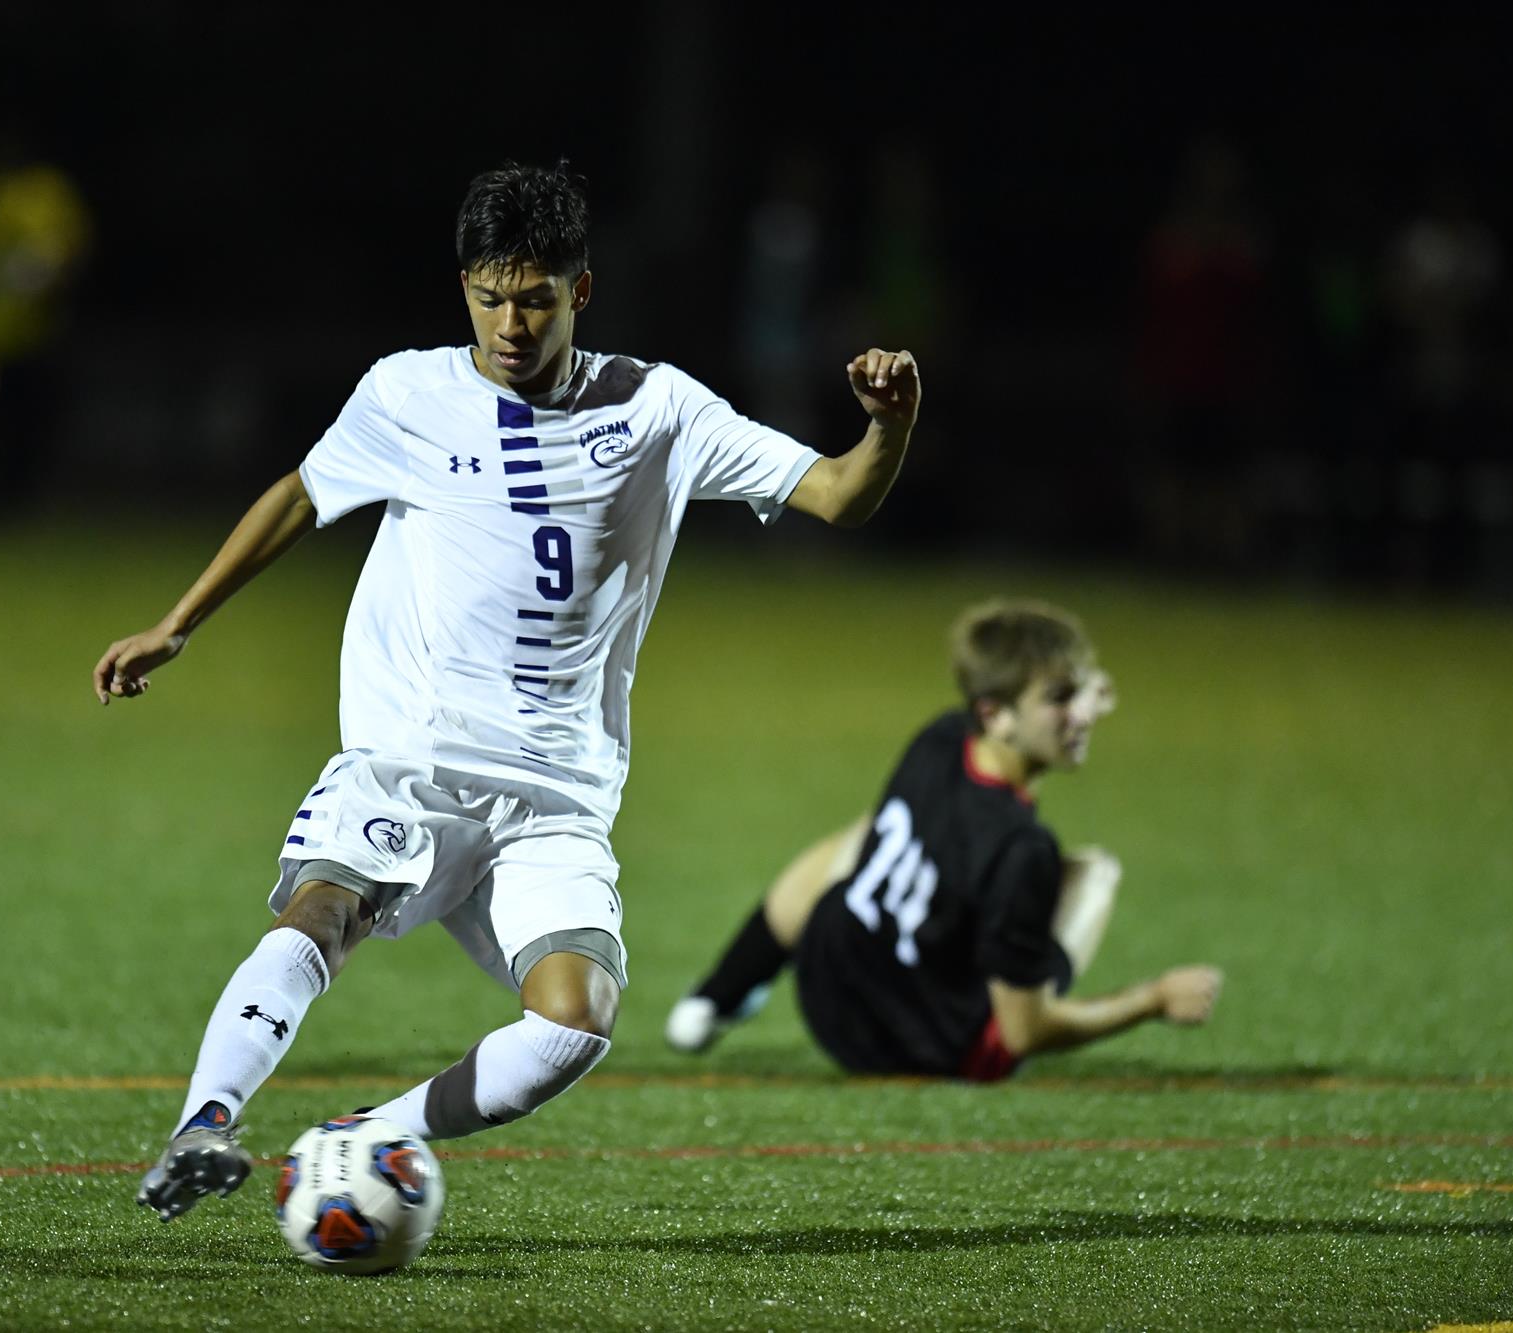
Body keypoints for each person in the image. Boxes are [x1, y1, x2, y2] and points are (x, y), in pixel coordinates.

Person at [92, 161, 922, 1221]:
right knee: (326, 905)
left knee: (576, 1020)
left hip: (557, 795)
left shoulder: (658, 409)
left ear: (583, 291)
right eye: (489, 297)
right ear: (464, 287)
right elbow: (300, 496)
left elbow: (839, 493)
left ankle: (364, 1139)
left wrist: (889, 425)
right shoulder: (409, 393)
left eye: (535, 299)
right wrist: (177, 623)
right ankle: (204, 1122)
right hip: (415, 756)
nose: (510, 325)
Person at [665, 599, 1222, 1080]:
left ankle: (718, 995)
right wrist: (1153, 1000)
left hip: (831, 995)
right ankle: (726, 994)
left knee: (871, 831)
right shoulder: (1022, 849)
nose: (1081, 714)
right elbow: (1024, 1033)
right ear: (995, 715)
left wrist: (1079, 690)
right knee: (1094, 872)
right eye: (1059, 698)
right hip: (933, 1050)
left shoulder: (942, 738)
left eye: (1082, 694)